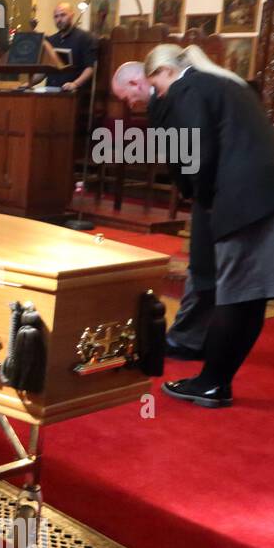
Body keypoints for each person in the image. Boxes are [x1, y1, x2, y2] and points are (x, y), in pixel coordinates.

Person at [140, 43, 274, 407]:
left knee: (236, 294)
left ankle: (212, 383)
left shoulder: (186, 88)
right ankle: (217, 381)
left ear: (163, 72)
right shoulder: (227, 83)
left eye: (155, 87)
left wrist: (199, 196)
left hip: (246, 203)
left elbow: (195, 152)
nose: (159, 95)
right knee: (251, 297)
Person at [112, 61, 214, 359]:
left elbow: (188, 148)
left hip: (212, 189)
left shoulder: (174, 97)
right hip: (212, 187)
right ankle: (197, 334)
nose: (130, 104)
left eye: (127, 96)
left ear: (136, 83)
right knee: (208, 266)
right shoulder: (186, 90)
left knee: (204, 265)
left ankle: (188, 339)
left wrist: (193, 190)